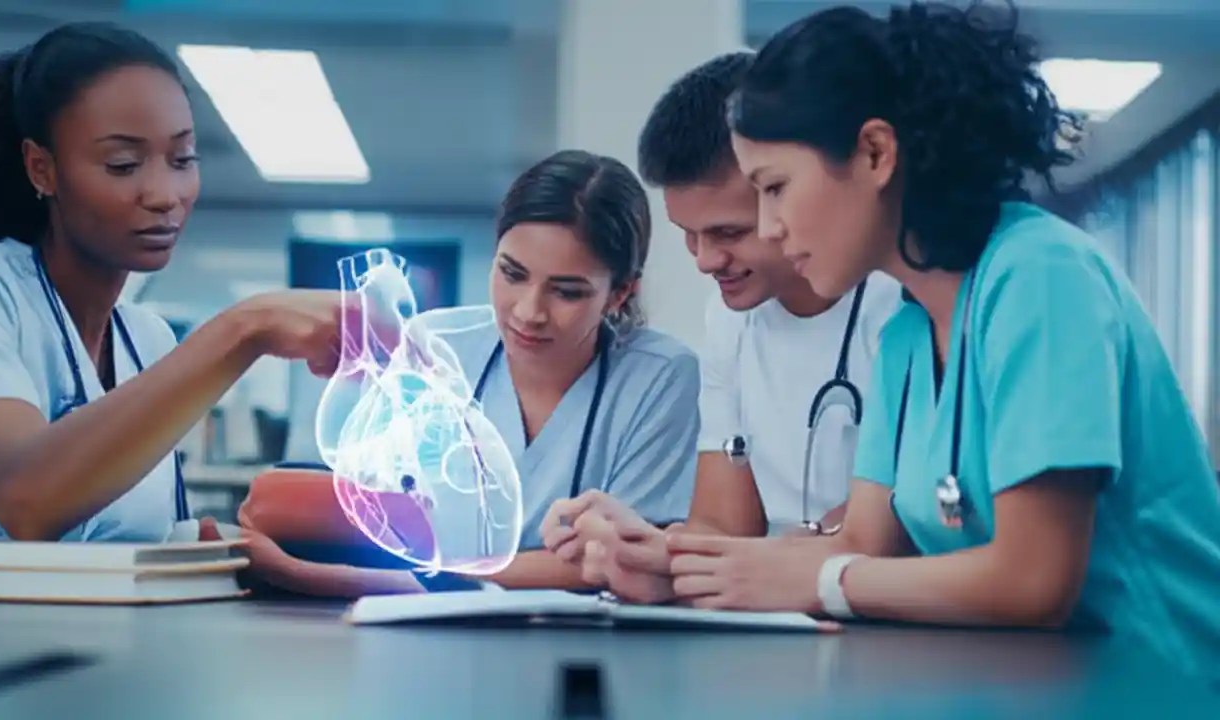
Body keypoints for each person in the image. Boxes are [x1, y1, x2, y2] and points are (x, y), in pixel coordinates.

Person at [658, 1, 1220, 682]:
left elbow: (1033, 581)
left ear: (875, 153)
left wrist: (828, 582)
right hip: (1023, 690)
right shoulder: (908, 333)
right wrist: (667, 568)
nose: (770, 229)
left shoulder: (1040, 276)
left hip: (1159, 686)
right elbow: (865, 542)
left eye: (775, 188)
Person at [0, 22, 348, 542]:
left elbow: (156, 541)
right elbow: (28, 497)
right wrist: (248, 326)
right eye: (123, 164)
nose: (164, 194)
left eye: (182, 160)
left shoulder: (146, 339)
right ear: (41, 169)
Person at [238, 149, 701, 593]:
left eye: (566, 292)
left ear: (619, 294)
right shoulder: (435, 344)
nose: (528, 312)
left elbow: (625, 563)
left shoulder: (659, 377)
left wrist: (435, 575)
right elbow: (369, 519)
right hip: (416, 623)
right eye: (512, 273)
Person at [538, 52, 900, 603]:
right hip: (776, 620)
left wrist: (749, 561)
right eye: (688, 234)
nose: (706, 260)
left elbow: (886, 528)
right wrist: (648, 549)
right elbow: (722, 526)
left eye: (729, 232)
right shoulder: (730, 320)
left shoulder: (897, 304)